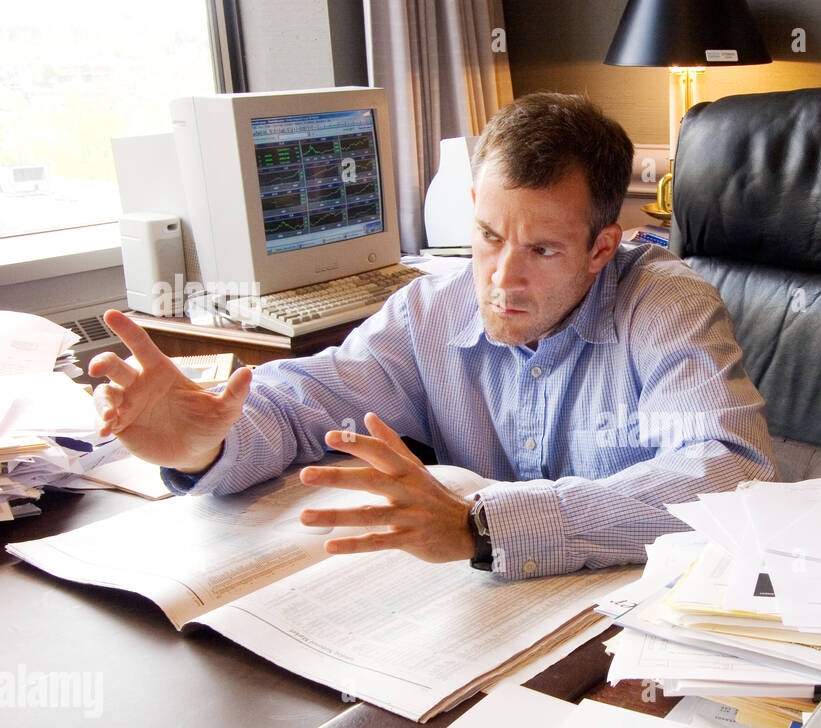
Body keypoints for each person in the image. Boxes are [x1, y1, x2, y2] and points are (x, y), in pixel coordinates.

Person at [90, 92, 775, 579]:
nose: (502, 280)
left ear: (601, 249)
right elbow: (308, 401)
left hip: (632, 622)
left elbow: (727, 475)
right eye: (489, 237)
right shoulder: (431, 308)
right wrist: (209, 441)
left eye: (542, 251)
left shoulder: (664, 304)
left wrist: (485, 526)